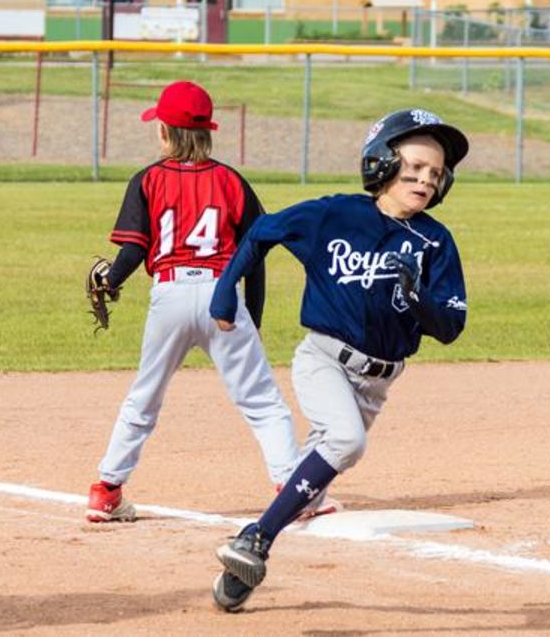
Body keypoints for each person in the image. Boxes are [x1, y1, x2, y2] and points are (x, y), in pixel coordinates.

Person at [206, 108, 470, 611]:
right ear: (381, 165)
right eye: (413, 167)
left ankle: (241, 569)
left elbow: (451, 328)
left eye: (435, 174)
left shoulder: (436, 242)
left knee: (311, 482)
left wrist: (417, 297)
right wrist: (224, 295)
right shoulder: (336, 215)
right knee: (346, 441)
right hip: (324, 358)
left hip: (378, 380)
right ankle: (254, 540)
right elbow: (263, 231)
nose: (425, 180)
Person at [85, 80, 304, 523]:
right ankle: (292, 490)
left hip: (167, 294)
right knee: (262, 401)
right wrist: (251, 319)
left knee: (144, 398)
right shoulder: (231, 181)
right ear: (209, 133)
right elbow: (255, 258)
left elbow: (132, 252)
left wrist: (110, 279)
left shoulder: (147, 179)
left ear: (165, 132)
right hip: (222, 296)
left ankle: (107, 489)